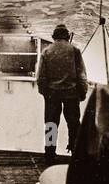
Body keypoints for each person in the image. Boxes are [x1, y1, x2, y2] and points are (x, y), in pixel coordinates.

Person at [36, 23, 88, 158]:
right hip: (71, 94)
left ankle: (49, 153)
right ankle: (75, 152)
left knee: (51, 124)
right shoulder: (75, 51)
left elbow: (41, 76)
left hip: (52, 94)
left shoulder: (46, 51)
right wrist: (82, 92)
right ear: (67, 36)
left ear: (54, 37)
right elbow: (82, 75)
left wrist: (44, 92)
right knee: (74, 124)